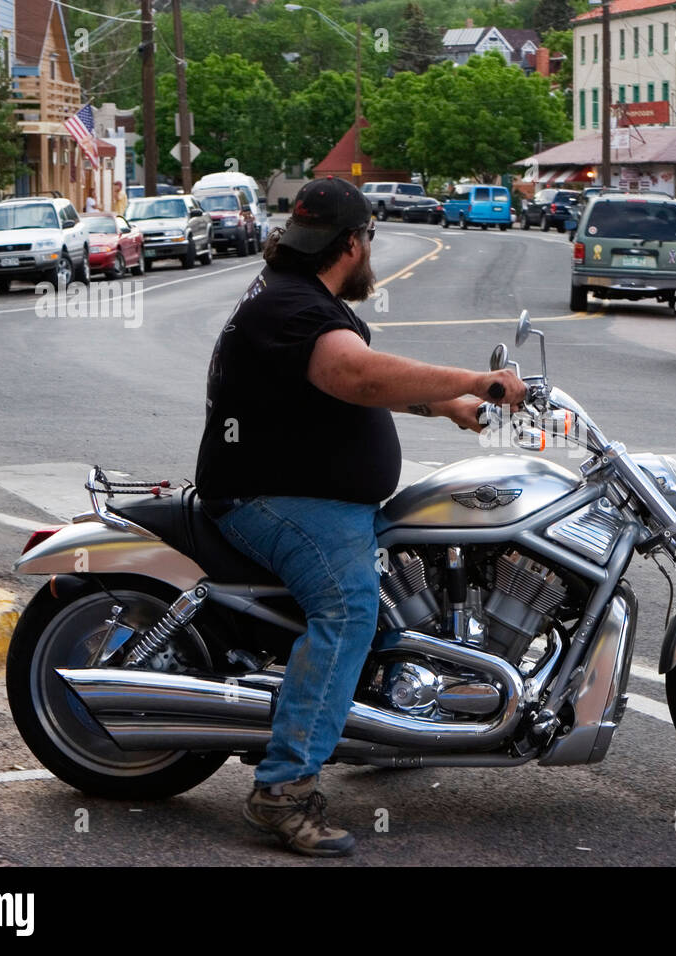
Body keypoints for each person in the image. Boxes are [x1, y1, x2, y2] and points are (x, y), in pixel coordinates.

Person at [194, 177, 526, 858]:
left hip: (296, 490)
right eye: (369, 238)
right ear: (351, 243)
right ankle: (281, 789)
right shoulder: (298, 312)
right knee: (349, 608)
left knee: (404, 581)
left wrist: (444, 407)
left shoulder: (291, 298)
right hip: (269, 499)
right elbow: (363, 378)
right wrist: (477, 381)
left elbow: (342, 391)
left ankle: (387, 721)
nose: (370, 250)